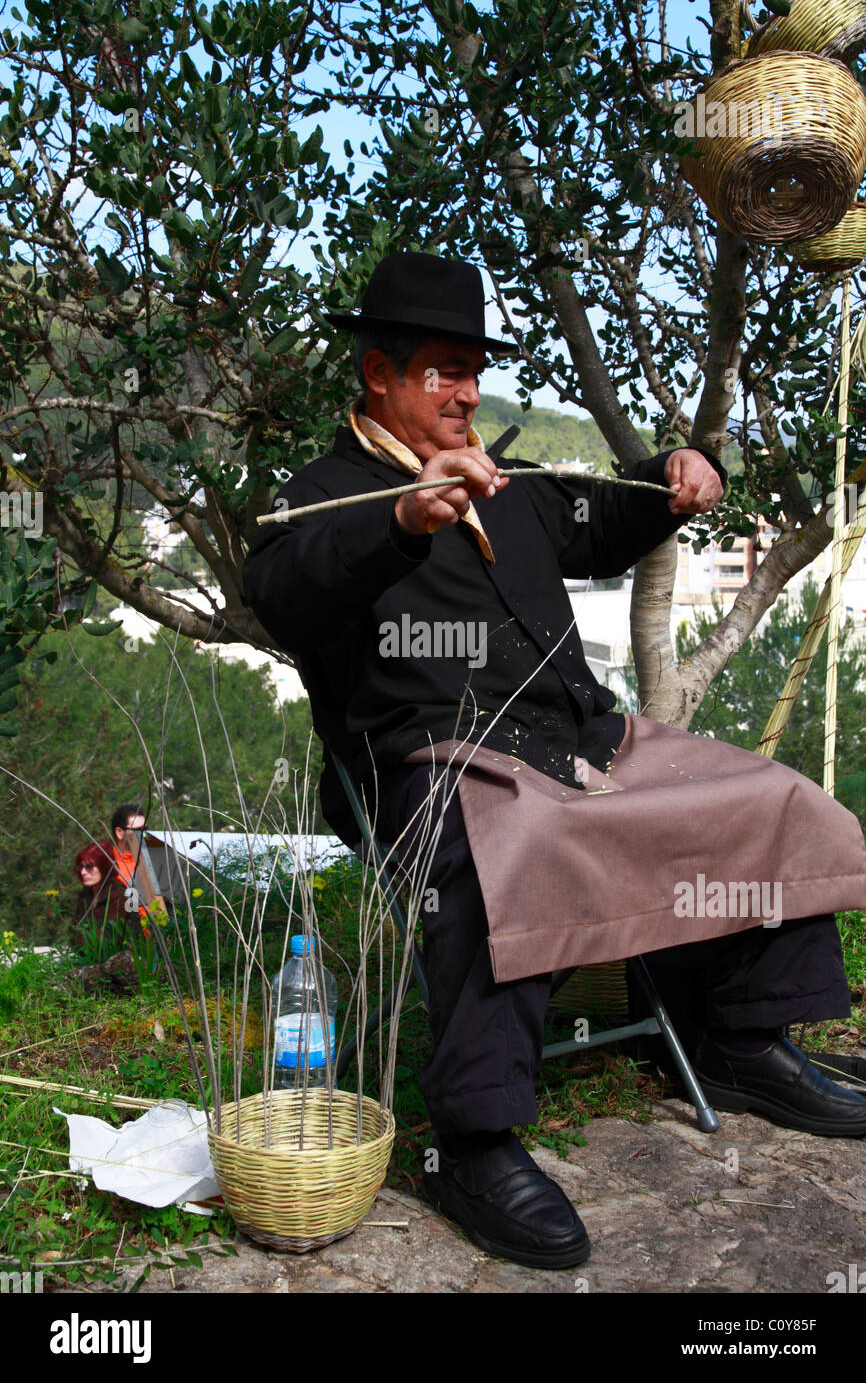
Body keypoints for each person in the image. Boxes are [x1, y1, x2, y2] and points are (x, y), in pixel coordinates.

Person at [242, 252, 866, 1270]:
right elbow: (280, 585)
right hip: (432, 758)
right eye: (444, 369)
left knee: (769, 797)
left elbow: (600, 518)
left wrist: (672, 482)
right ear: (378, 374)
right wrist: (405, 519)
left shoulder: (512, 480)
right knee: (502, 852)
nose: (466, 390)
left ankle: (745, 1044)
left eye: (472, 370)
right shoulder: (327, 494)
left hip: (582, 739)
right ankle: (474, 1142)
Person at [69, 838, 128, 954]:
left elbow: (111, 938)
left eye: (89, 866)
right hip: (87, 960)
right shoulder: (85, 895)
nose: (83, 872)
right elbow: (72, 932)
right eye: (80, 867)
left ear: (103, 866)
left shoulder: (121, 895)